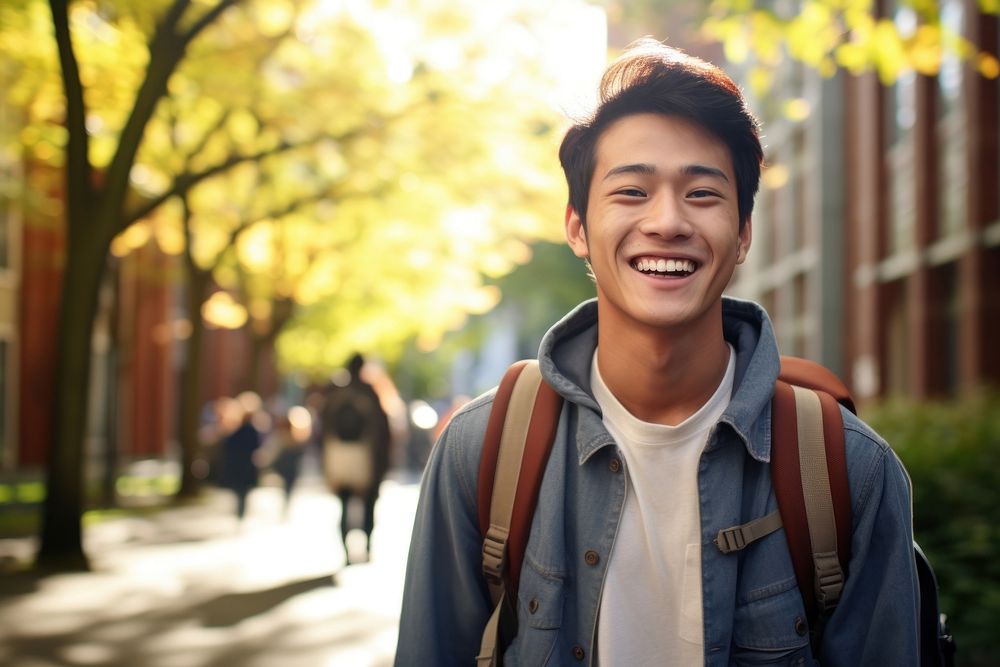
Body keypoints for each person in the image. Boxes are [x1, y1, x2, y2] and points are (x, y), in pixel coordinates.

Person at [396, 39, 919, 665]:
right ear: (577, 227)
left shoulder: (848, 471)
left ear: (744, 232)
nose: (668, 221)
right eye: (631, 192)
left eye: (702, 194)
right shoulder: (483, 450)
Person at [321, 353, 392, 564]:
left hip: (340, 458)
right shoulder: (370, 392)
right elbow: (383, 430)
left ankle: (346, 553)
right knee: (369, 506)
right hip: (367, 460)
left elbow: (322, 431)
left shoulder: (335, 394)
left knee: (344, 507)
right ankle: (367, 547)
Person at [220, 391, 264, 521]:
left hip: (239, 464)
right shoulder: (252, 430)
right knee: (243, 490)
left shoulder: (237, 430)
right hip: (245, 464)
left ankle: (240, 511)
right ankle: (241, 511)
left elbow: (228, 445)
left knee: (240, 490)